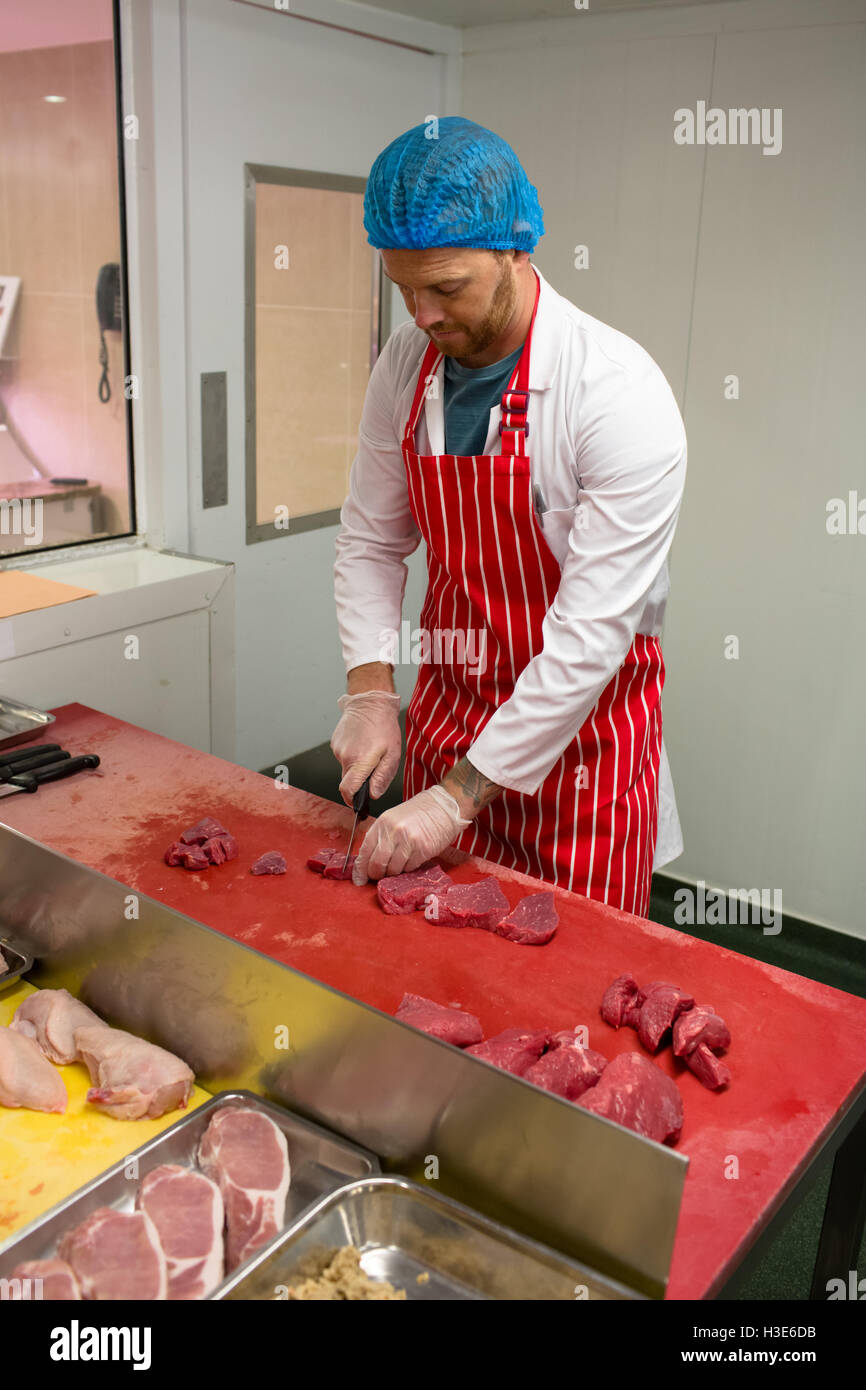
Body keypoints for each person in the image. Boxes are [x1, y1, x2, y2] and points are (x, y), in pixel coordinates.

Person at [331, 116, 686, 918]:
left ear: (517, 249)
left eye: (446, 288)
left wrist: (455, 801)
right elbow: (373, 539)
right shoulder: (405, 364)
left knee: (565, 1014)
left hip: (583, 768)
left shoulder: (616, 392)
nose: (421, 314)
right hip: (451, 710)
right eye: (403, 288)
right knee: (430, 987)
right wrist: (371, 692)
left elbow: (592, 631)